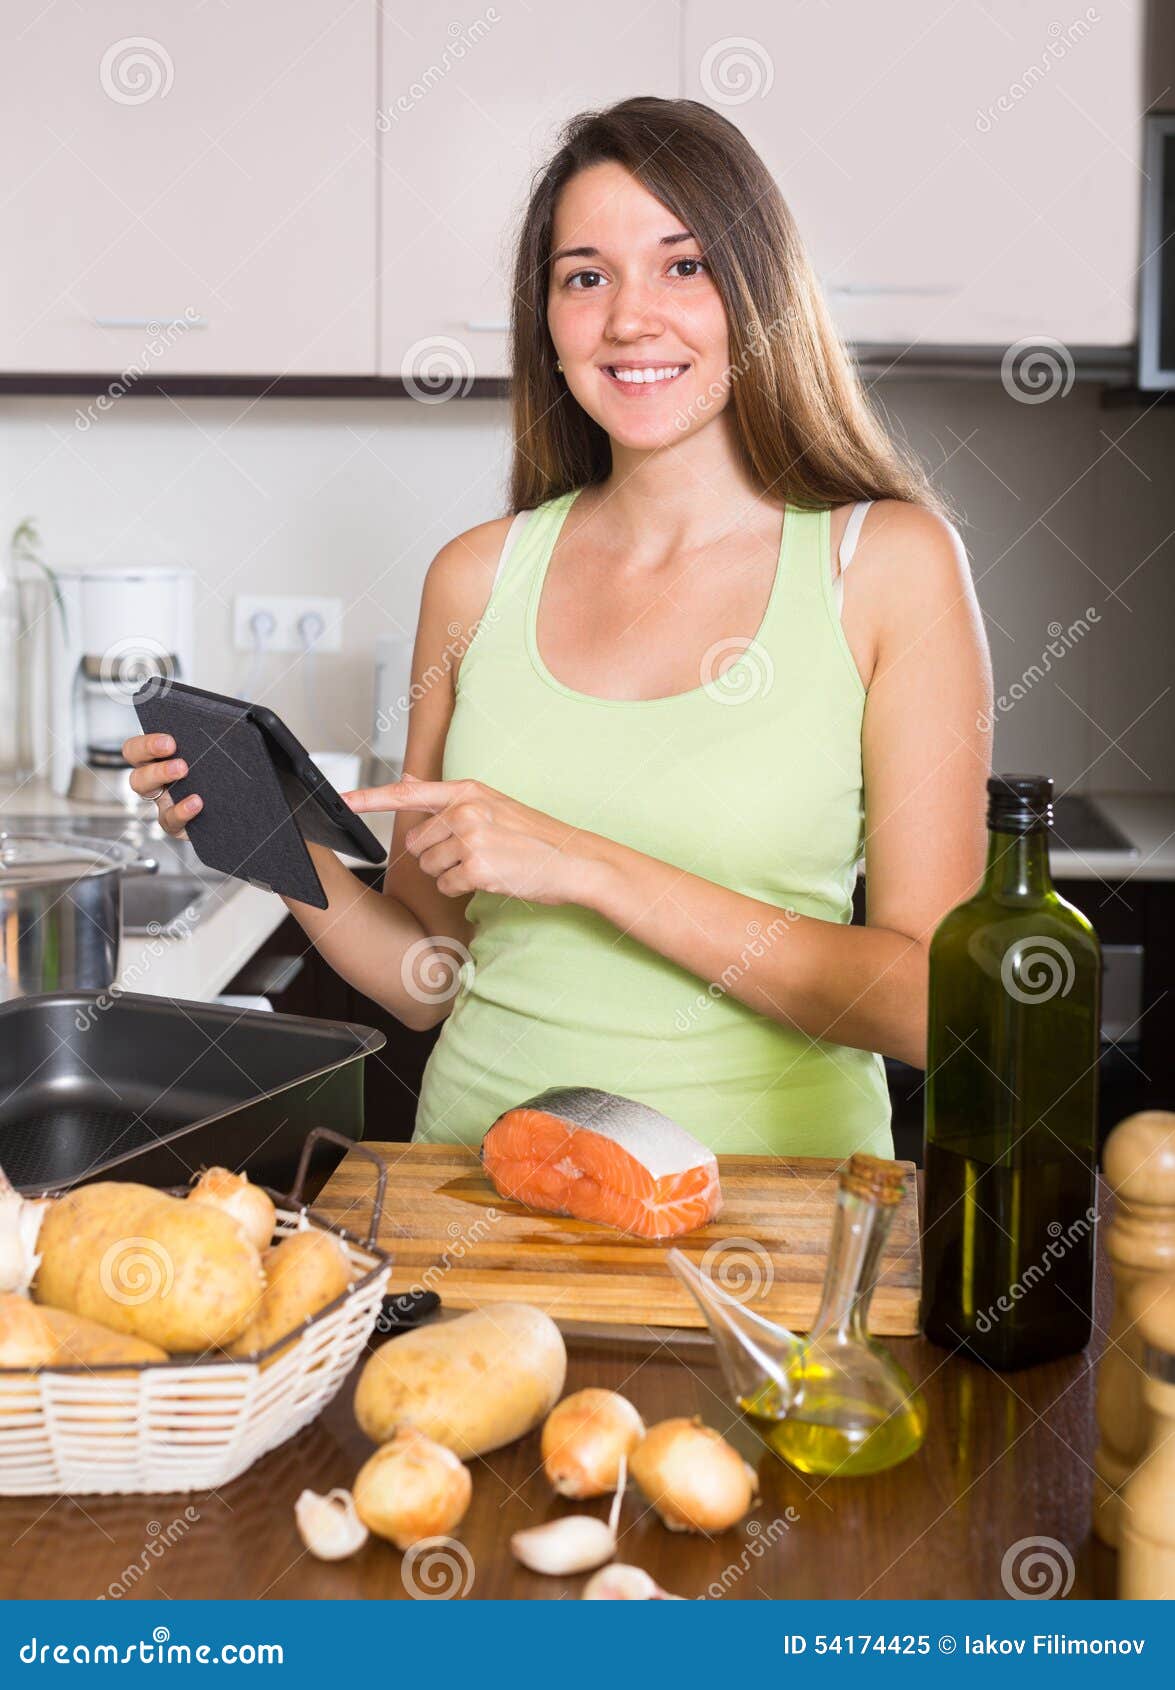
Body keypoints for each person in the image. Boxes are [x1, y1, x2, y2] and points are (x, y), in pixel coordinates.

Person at [123, 97, 992, 1160]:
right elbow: (425, 979)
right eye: (585, 276)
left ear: (758, 290)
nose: (630, 318)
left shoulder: (885, 563)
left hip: (775, 1219)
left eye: (683, 266)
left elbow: (925, 1005)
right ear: (546, 318)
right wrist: (269, 838)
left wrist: (582, 863)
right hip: (478, 1201)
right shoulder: (477, 579)